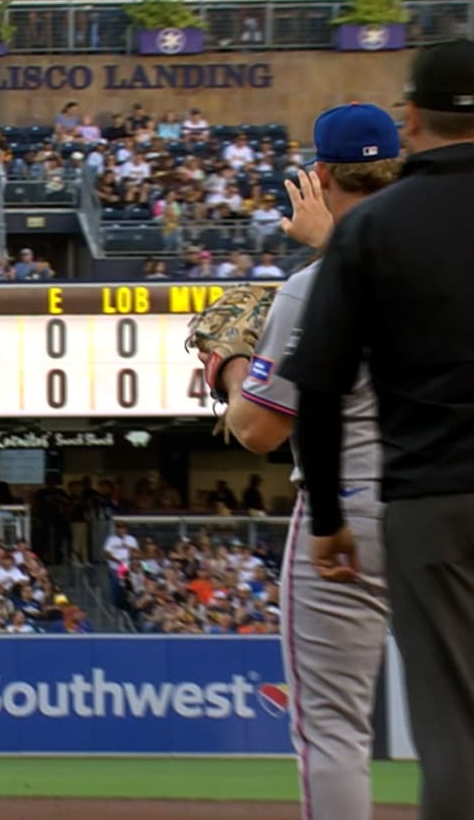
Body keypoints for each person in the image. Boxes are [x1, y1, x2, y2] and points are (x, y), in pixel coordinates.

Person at [282, 40, 474, 820]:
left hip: (425, 499)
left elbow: (315, 389)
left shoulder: (371, 234)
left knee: (451, 731)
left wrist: (325, 519)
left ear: (414, 117)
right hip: (416, 499)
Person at [206, 103, 401, 820]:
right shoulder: (452, 257)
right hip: (446, 500)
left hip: (346, 510)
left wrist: (227, 364)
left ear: (316, 177)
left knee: (333, 731)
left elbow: (257, 429)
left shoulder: (309, 289)